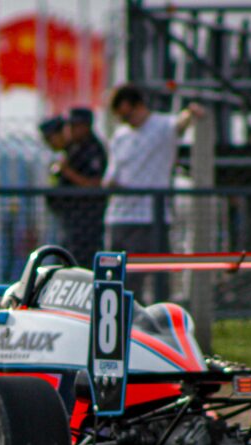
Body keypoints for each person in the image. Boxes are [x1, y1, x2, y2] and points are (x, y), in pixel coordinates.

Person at [102, 83, 204, 301]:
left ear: (138, 106)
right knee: (116, 277)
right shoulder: (120, 136)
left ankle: (149, 316)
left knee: (146, 278)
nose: (126, 121)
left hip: (149, 216)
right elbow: (111, 177)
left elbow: (180, 123)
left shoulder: (162, 126)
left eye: (127, 115)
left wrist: (191, 112)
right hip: (119, 216)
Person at [54, 107, 107, 267]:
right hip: (71, 216)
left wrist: (68, 172)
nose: (70, 130)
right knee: (65, 257)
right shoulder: (72, 148)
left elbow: (96, 184)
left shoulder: (94, 149)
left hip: (88, 218)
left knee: (82, 261)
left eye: (74, 125)